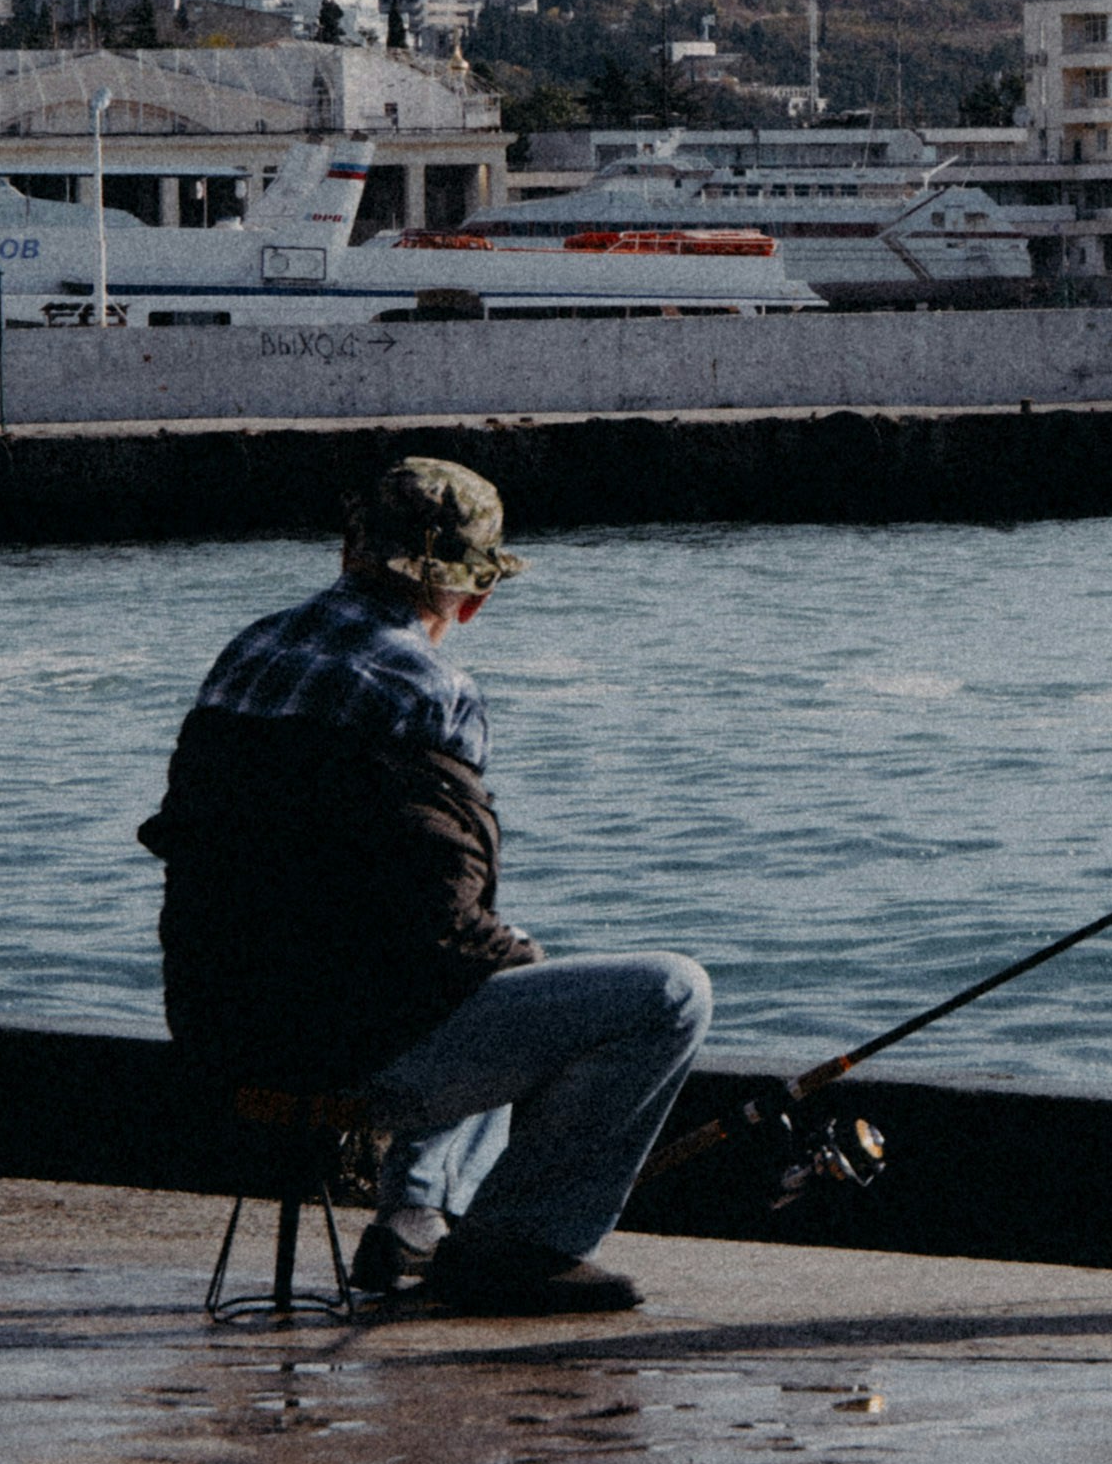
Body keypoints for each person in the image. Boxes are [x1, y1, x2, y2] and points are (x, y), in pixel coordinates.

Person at [140, 455, 712, 1317]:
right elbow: (444, 927)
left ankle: (414, 1218)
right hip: (347, 1054)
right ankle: (521, 1246)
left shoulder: (247, 654)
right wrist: (523, 955)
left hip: (220, 1029)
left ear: (349, 552)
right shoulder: (431, 690)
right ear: (471, 597)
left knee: (483, 966)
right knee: (666, 993)